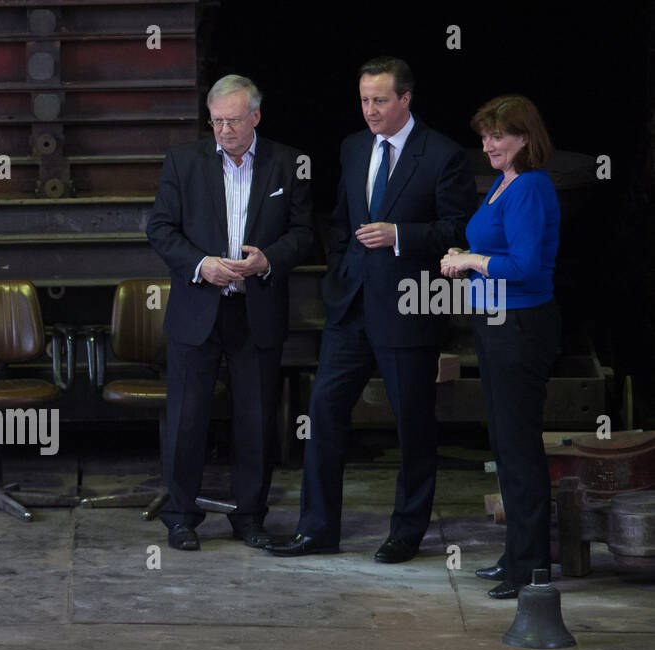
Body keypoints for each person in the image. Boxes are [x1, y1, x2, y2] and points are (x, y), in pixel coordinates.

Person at [267, 57, 476, 562]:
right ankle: (317, 530)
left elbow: (460, 228)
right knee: (323, 414)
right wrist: (341, 268)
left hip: (408, 308)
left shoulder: (442, 155)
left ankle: (406, 532)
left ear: (406, 99)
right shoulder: (353, 147)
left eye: (380, 100)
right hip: (350, 307)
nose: (370, 110)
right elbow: (339, 221)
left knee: (412, 425)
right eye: (363, 100)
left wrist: (399, 236)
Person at [146, 74, 314, 551]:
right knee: (186, 419)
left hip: (256, 308)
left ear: (256, 117)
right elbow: (160, 229)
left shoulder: (289, 162)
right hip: (198, 308)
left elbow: (305, 232)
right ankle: (180, 517)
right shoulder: (183, 161)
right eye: (216, 121)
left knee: (256, 421)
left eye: (234, 121)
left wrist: (269, 260)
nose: (223, 130)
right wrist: (201, 265)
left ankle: (250, 518)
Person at [440, 95, 560, 599]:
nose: (488, 145)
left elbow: (526, 267)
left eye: (498, 136)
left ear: (524, 139)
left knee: (520, 448)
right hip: (496, 323)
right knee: (506, 449)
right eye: (484, 136)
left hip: (521, 326)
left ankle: (532, 567)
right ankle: (517, 556)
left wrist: (470, 261)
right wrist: (468, 256)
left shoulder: (529, 187)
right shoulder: (504, 183)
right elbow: (498, 250)